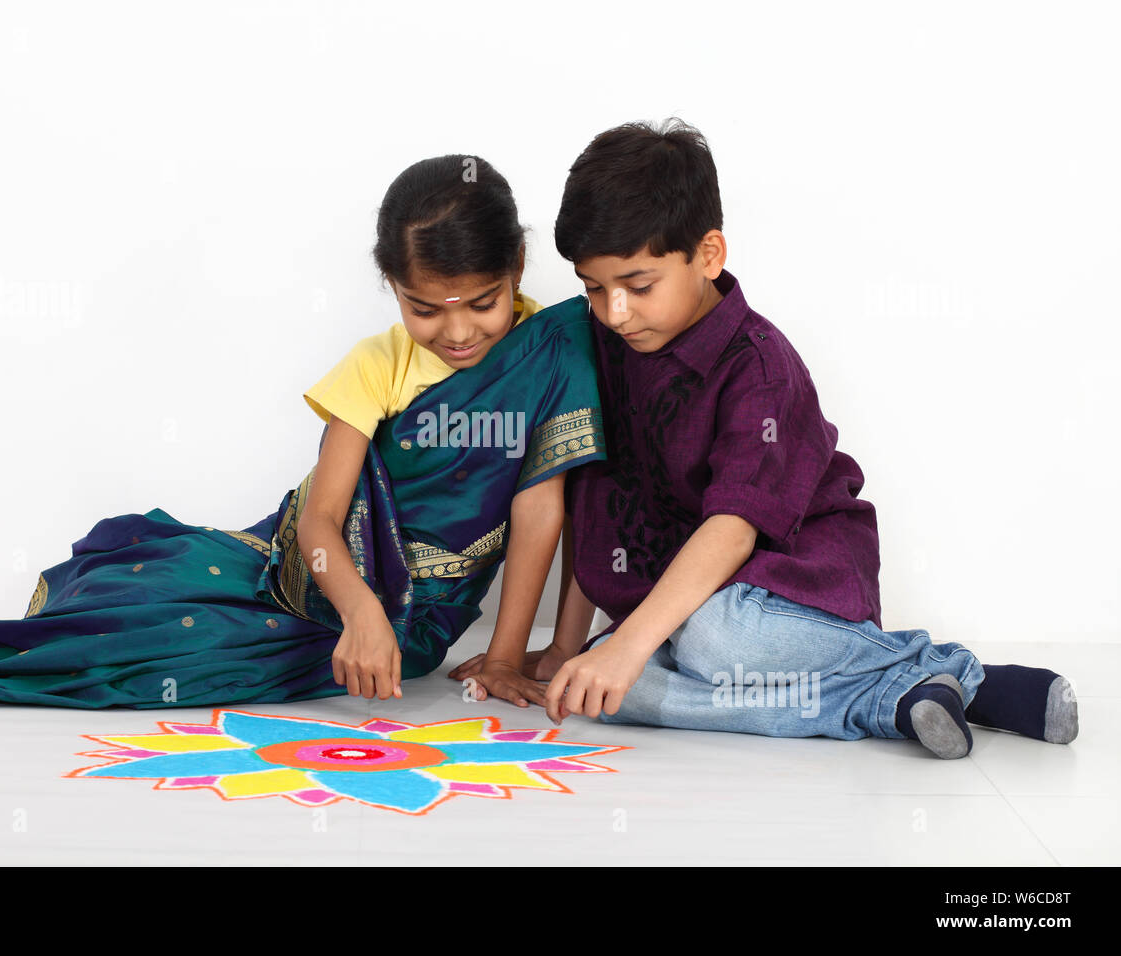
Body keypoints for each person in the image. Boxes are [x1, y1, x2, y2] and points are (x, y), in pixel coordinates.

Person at [0, 154, 605, 709]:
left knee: (224, 656)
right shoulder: (376, 366)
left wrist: (505, 658)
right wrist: (362, 610)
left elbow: (539, 507)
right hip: (321, 579)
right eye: (424, 308)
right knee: (171, 644)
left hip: (421, 621)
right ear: (391, 288)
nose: (457, 330)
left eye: (481, 302)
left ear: (518, 267)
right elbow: (318, 518)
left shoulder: (551, 351)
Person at [458, 120, 1078, 759]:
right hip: (682, 599)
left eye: (639, 287)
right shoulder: (601, 344)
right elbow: (600, 504)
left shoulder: (759, 366)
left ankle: (949, 668)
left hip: (791, 589)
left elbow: (732, 529)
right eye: (593, 288)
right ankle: (891, 699)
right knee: (610, 692)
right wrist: (572, 650)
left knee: (710, 640)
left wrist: (627, 642)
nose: (615, 311)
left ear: (708, 254)